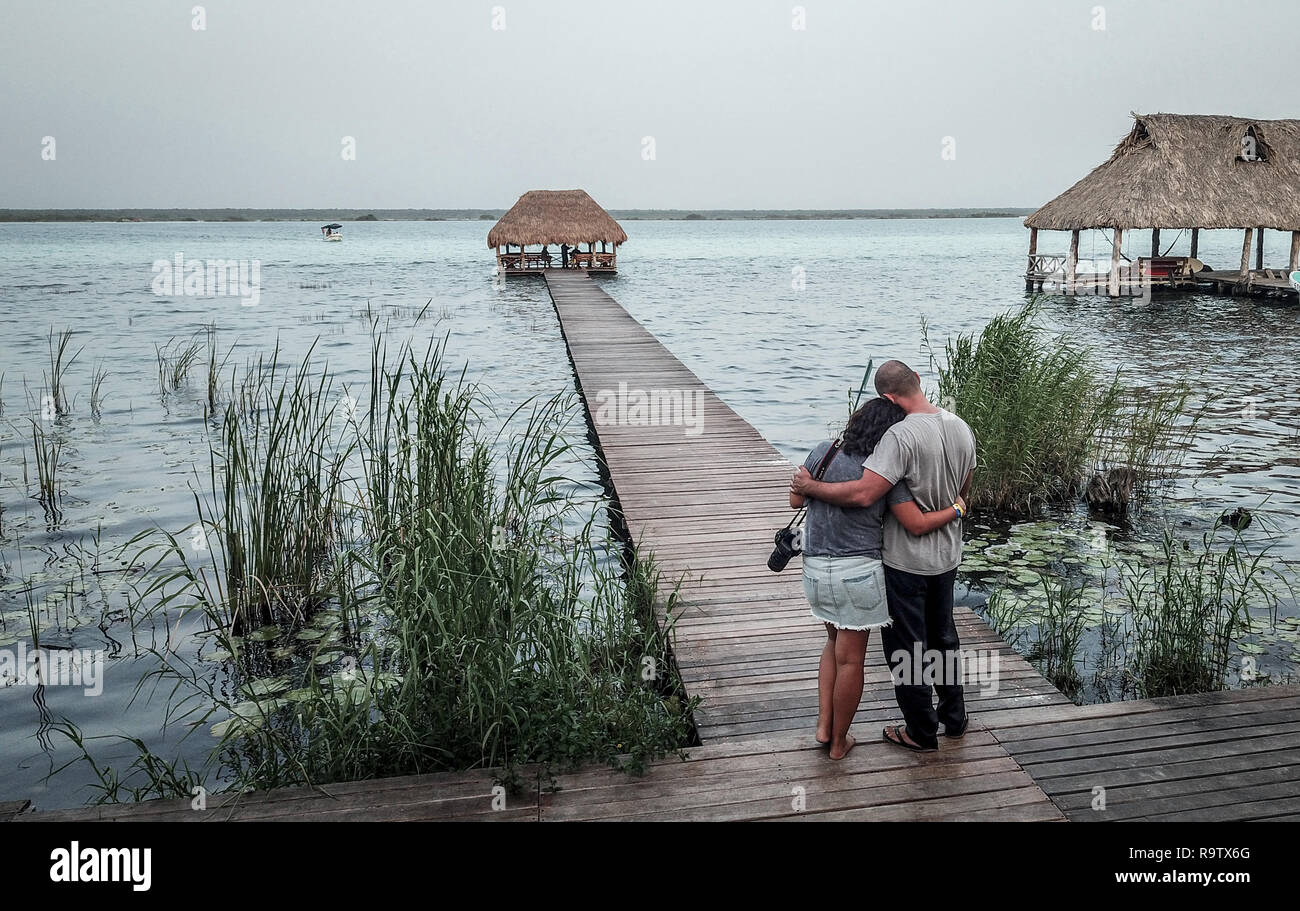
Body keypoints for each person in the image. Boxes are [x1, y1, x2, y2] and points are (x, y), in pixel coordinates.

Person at [791, 360, 976, 753]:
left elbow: (863, 494)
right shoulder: (960, 426)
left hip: (905, 563)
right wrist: (956, 509)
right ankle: (954, 718)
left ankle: (921, 732)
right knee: (943, 638)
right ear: (919, 382)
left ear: (886, 397)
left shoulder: (898, 436)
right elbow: (964, 486)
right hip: (947, 557)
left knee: (907, 649)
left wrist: (811, 486)